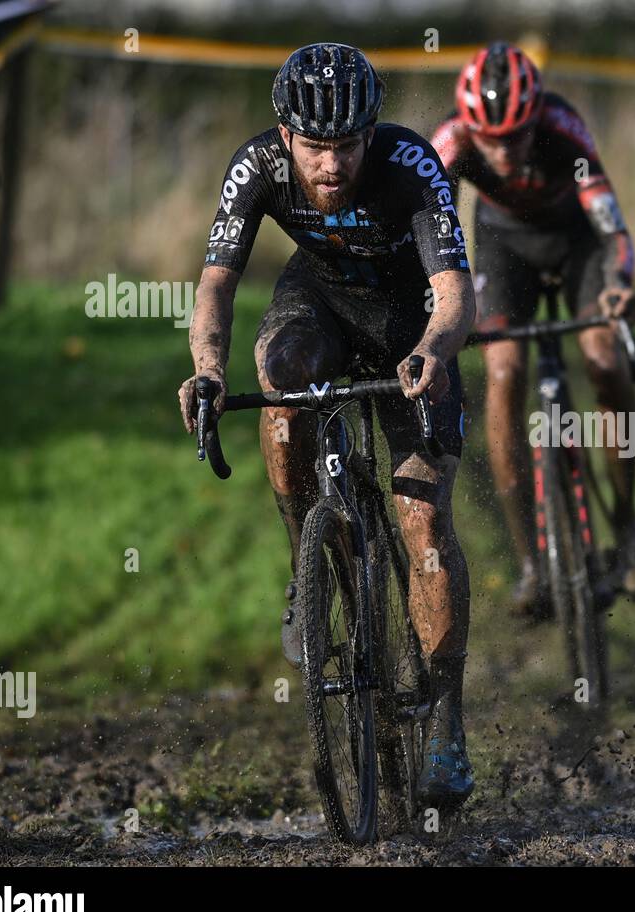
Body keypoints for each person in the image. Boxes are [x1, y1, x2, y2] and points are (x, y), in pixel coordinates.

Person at [176, 43, 477, 809]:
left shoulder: (411, 165)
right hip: (322, 302)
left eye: (346, 143)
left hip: (412, 319)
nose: (332, 162)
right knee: (282, 382)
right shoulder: (257, 168)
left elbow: (453, 294)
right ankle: (304, 564)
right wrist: (209, 369)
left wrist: (434, 352)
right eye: (314, 145)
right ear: (285, 135)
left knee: (424, 523)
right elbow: (216, 284)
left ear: (369, 135)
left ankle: (445, 720)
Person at [431, 42, 635, 616]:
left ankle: (628, 526)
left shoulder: (565, 130)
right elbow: (422, 228)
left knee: (605, 360)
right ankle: (532, 560)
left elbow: (614, 231)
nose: (503, 152)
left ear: (536, 120)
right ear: (469, 127)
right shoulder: (452, 143)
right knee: (504, 372)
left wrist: (620, 284)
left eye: (516, 137)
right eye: (491, 139)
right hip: (505, 248)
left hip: (577, 242)